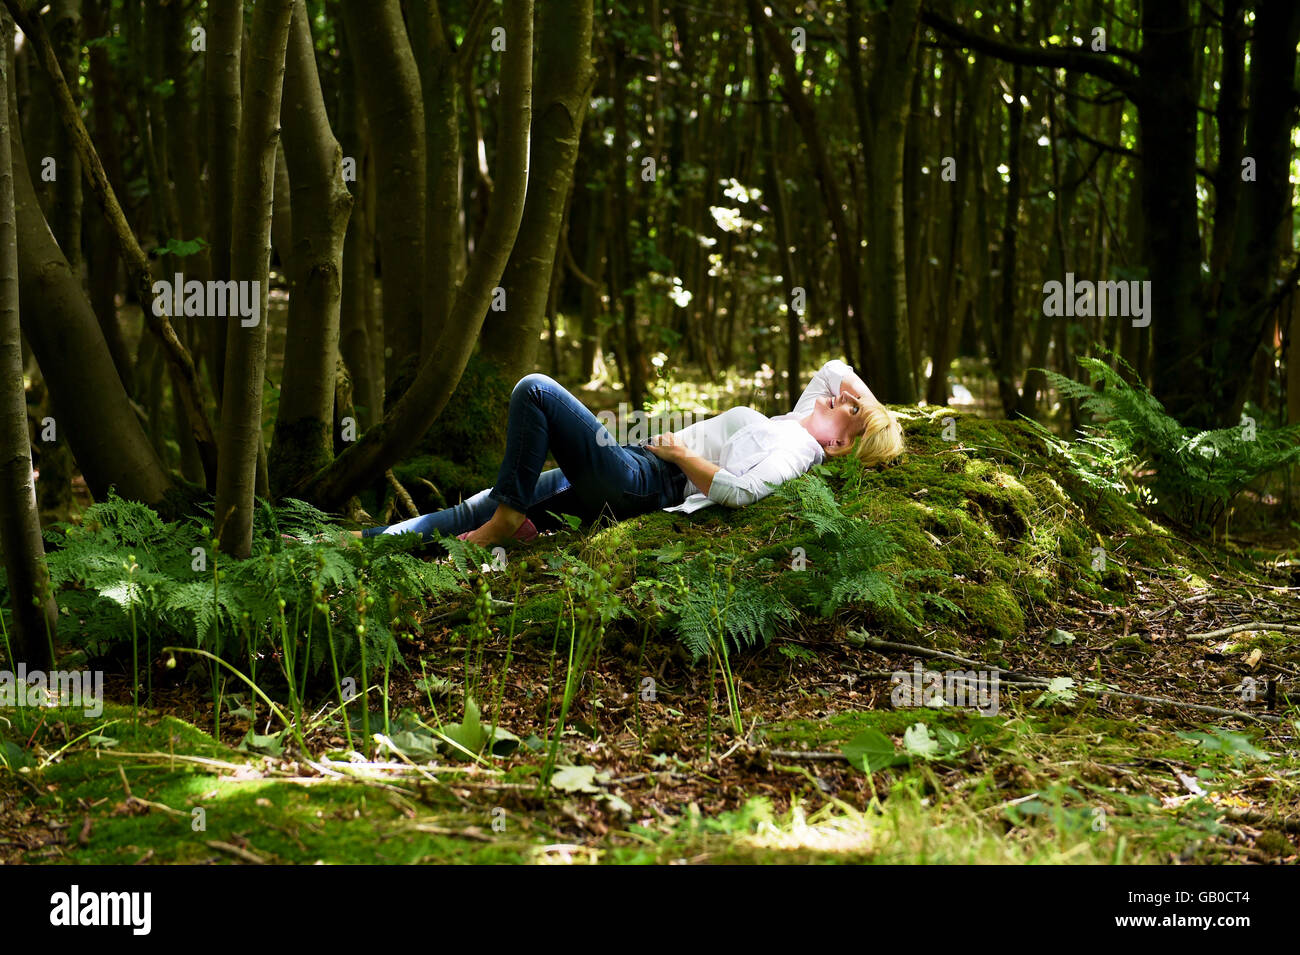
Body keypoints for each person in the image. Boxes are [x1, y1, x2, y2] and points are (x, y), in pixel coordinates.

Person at [356, 359, 904, 547]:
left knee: (536, 390)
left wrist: (679, 455)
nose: (841, 396)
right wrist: (872, 417)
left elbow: (742, 492)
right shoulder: (797, 422)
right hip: (631, 468)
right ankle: (353, 545)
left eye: (848, 409)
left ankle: (507, 523)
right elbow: (835, 368)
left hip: (643, 480)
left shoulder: (798, 447)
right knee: (463, 511)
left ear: (837, 444)